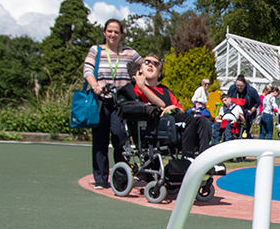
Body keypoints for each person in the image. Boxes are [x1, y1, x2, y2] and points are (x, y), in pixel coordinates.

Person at [83, 19, 141, 187]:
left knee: (121, 138)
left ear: (121, 34)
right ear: (104, 33)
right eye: (110, 31)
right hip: (101, 101)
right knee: (100, 140)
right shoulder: (96, 50)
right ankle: (100, 179)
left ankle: (120, 178)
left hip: (121, 102)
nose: (113, 35)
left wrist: (139, 80)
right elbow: (87, 70)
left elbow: (144, 65)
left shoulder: (129, 53)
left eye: (116, 32)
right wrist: (95, 85)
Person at [123, 55, 211, 157]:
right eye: (147, 62)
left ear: (159, 73)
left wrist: (174, 107)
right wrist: (142, 85)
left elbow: (180, 109)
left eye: (155, 64)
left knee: (202, 121)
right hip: (153, 127)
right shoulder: (135, 88)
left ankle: (204, 158)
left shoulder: (165, 90)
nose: (151, 65)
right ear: (140, 69)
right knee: (188, 120)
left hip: (173, 123)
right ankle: (188, 156)